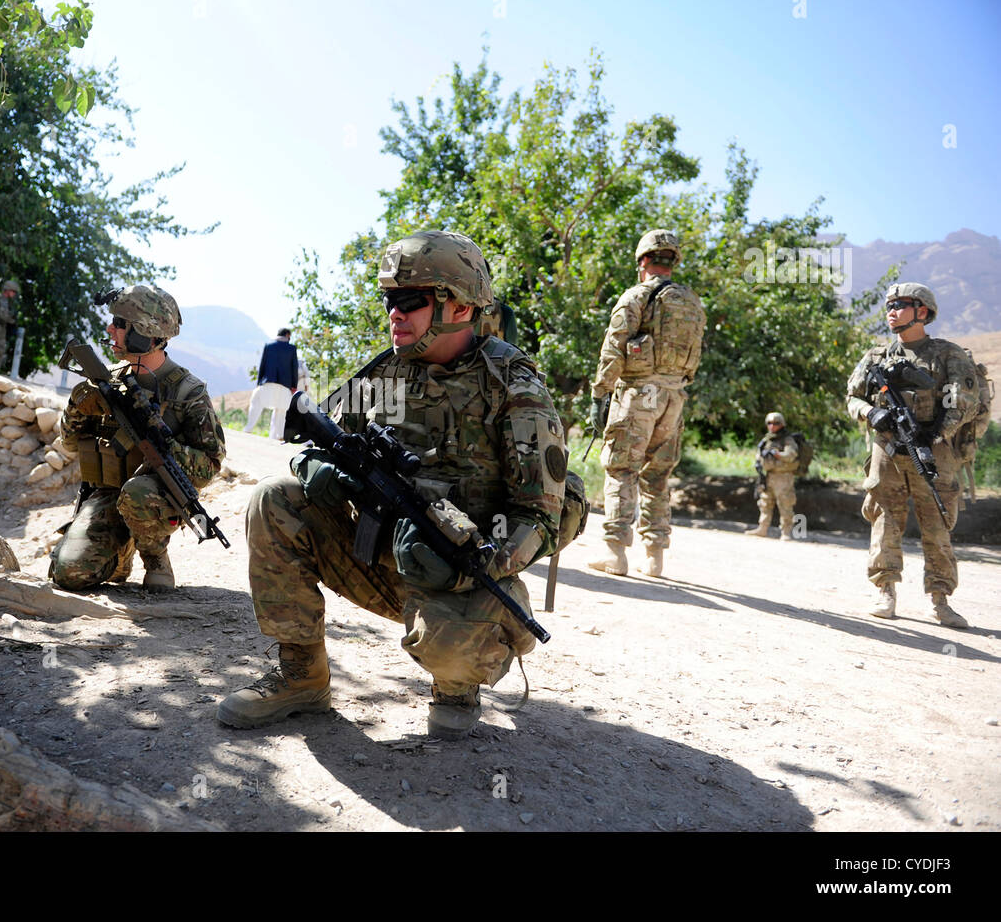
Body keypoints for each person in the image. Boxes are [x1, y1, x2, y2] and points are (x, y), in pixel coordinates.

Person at [217, 231, 587, 740]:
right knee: (275, 499)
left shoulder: (511, 386)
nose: (394, 312)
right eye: (389, 299)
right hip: (379, 559)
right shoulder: (386, 374)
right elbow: (322, 439)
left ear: (459, 307)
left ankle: (457, 684)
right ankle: (303, 677)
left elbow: (543, 516)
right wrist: (319, 471)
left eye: (410, 301)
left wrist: (475, 561)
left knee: (456, 647)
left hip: (451, 575)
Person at [50, 285, 225, 593]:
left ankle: (155, 557)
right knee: (67, 573)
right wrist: (78, 405)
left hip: (157, 497)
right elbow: (70, 443)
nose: (110, 329)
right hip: (108, 495)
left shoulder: (188, 392)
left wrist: (165, 444)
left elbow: (210, 465)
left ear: (144, 333)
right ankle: (120, 556)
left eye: (120, 324)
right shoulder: (107, 381)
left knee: (137, 492)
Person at [846, 283, 978, 628]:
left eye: (900, 304)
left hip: (934, 450)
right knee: (885, 518)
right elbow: (852, 397)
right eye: (888, 305)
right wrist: (871, 414)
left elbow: (963, 404)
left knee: (936, 523)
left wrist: (935, 435)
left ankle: (940, 600)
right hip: (887, 449)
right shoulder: (876, 357)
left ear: (923, 312)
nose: (891, 311)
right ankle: (885, 591)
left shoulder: (948, 355)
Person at [586, 229, 705, 578]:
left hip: (640, 394)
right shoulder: (693, 301)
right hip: (675, 397)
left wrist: (600, 394)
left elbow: (613, 348)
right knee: (657, 476)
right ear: (673, 261)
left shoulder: (636, 296)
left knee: (622, 469)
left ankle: (615, 552)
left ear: (643, 262)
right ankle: (655, 558)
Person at [749, 412, 800, 540]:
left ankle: (786, 532)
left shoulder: (787, 439)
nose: (772, 426)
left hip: (783, 477)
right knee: (765, 502)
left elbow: (791, 455)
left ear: (782, 424)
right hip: (769, 475)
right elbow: (760, 454)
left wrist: (778, 455)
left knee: (785, 504)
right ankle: (762, 528)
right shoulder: (767, 439)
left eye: (776, 423)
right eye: (769, 423)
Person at [243, 327, 300, 440]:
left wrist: (259, 383)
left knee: (256, 403)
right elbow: (294, 368)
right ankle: (280, 435)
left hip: (268, 382)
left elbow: (262, 365)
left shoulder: (268, 346)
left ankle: (248, 428)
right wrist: (294, 386)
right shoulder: (292, 348)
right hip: (285, 385)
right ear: (288, 335)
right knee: (281, 410)